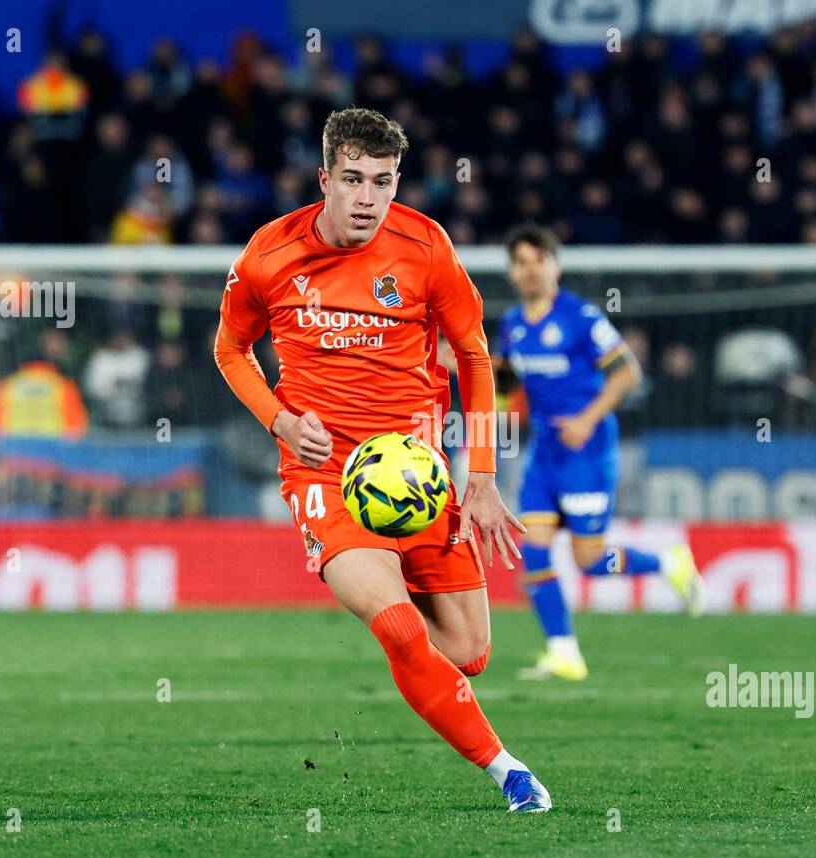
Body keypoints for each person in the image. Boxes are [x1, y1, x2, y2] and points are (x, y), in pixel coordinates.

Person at [214, 107, 551, 811]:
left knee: (464, 654)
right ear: (325, 179)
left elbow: (473, 354)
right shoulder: (269, 255)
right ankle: (510, 773)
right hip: (324, 475)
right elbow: (230, 349)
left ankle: (415, 662)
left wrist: (481, 476)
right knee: (400, 627)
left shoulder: (425, 246)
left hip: (417, 473)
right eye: (354, 180)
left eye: (384, 181)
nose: (368, 198)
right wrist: (278, 419)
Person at [496, 223, 705, 681]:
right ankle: (564, 652)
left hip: (587, 450)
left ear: (557, 266)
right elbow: (509, 381)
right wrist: (466, 365)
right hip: (545, 452)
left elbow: (627, 372)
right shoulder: (513, 324)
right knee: (534, 548)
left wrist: (587, 419)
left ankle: (667, 562)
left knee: (588, 561)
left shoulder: (582, 317)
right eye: (521, 263)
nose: (530, 271)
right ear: (512, 272)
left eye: (538, 261)